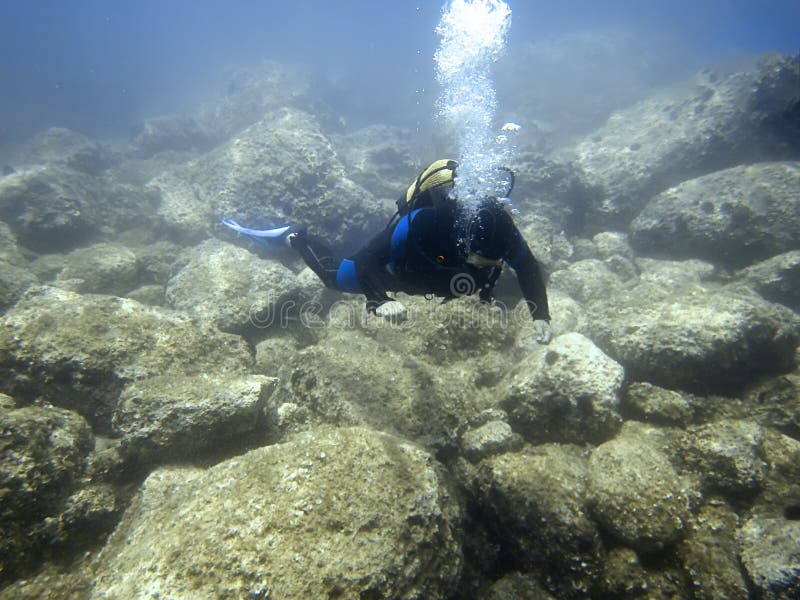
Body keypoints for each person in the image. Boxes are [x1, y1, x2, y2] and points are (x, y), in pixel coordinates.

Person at [222, 159, 552, 344]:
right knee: (334, 277)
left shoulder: (502, 230)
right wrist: (380, 299)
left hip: (442, 280)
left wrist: (541, 317)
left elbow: (527, 267)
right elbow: (367, 259)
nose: (485, 256)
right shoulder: (424, 222)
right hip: (398, 272)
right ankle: (295, 236)